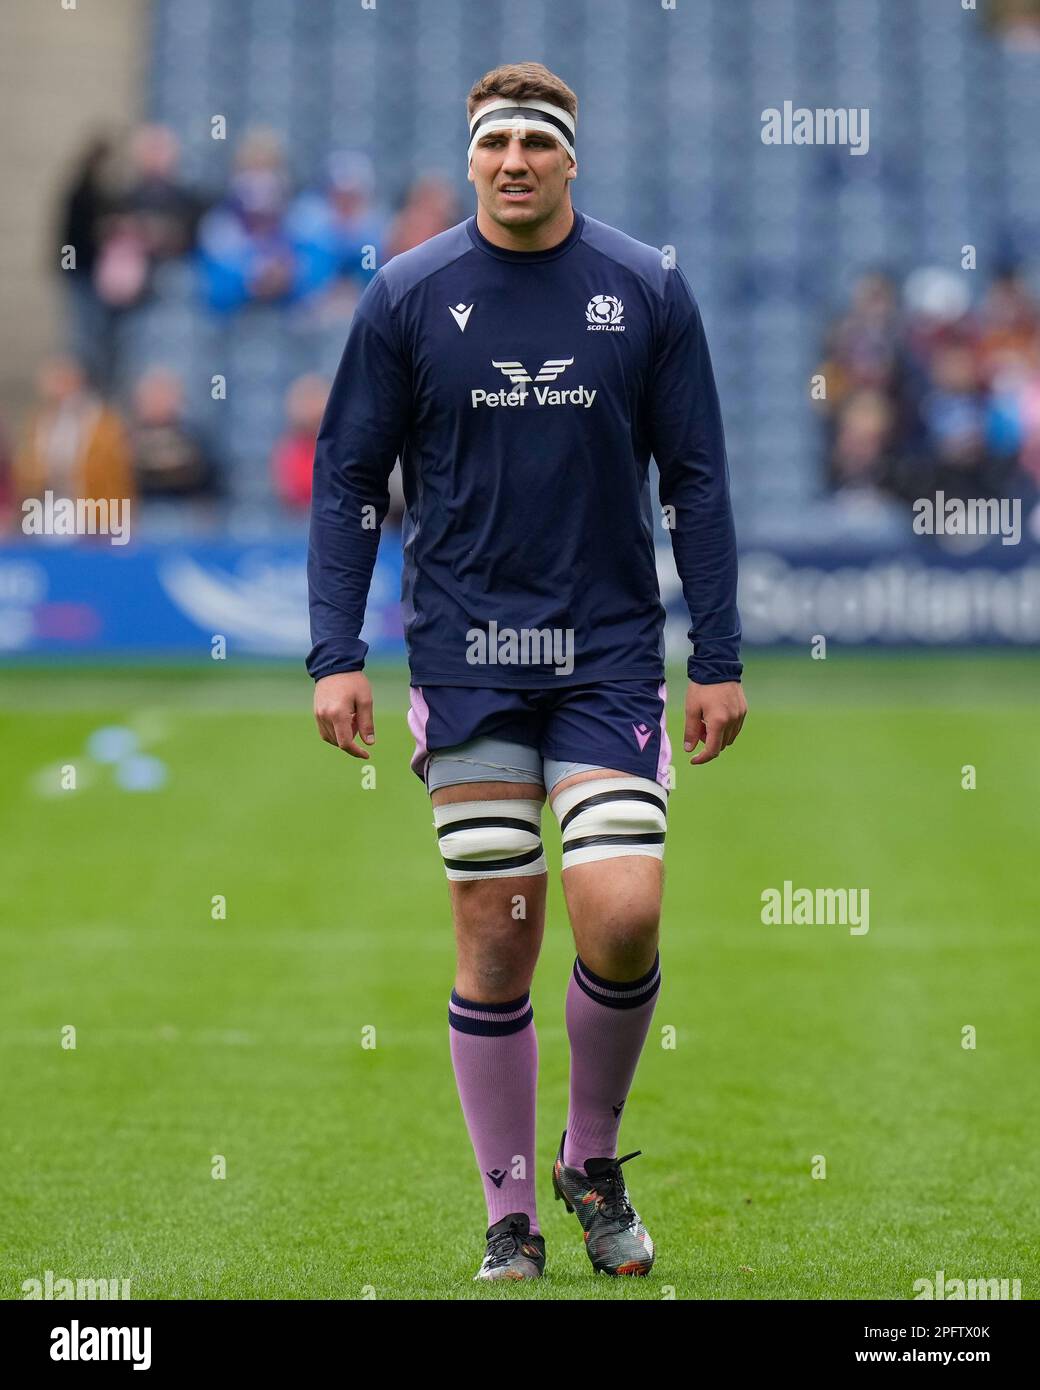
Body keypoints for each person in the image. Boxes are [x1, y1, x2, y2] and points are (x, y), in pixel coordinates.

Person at [306, 61, 746, 1283]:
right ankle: (512, 1216)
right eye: (494, 141)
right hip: (467, 653)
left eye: (534, 143)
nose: (512, 160)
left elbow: (696, 480)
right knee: (498, 934)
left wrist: (716, 655)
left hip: (605, 652)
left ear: (568, 158)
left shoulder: (645, 289)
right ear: (471, 156)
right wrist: (333, 654)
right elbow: (346, 482)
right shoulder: (405, 295)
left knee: (622, 910)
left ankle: (589, 1158)